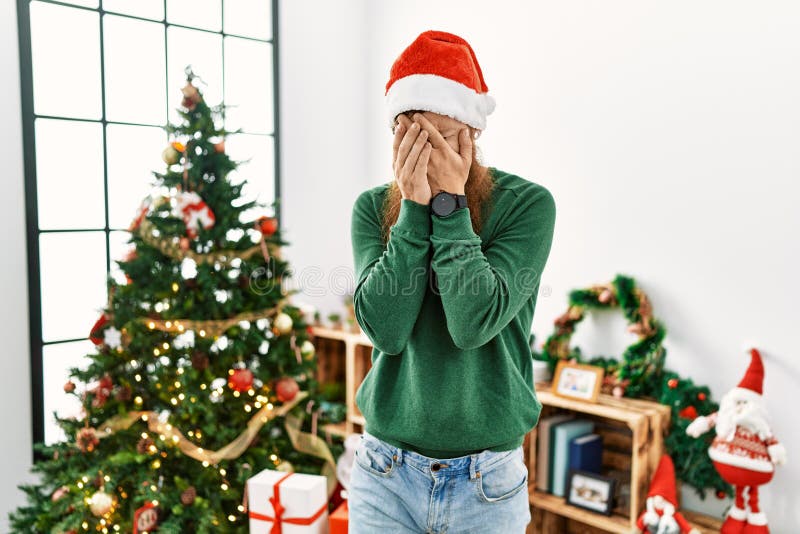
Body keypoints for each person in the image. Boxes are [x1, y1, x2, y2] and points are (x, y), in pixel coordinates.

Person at [348, 29, 557, 533]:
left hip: (487, 483)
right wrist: (414, 209)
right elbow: (385, 330)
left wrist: (450, 206)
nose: (425, 152)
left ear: (472, 135)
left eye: (440, 138)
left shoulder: (528, 206)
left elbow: (472, 323)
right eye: (411, 136)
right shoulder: (372, 208)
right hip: (384, 474)